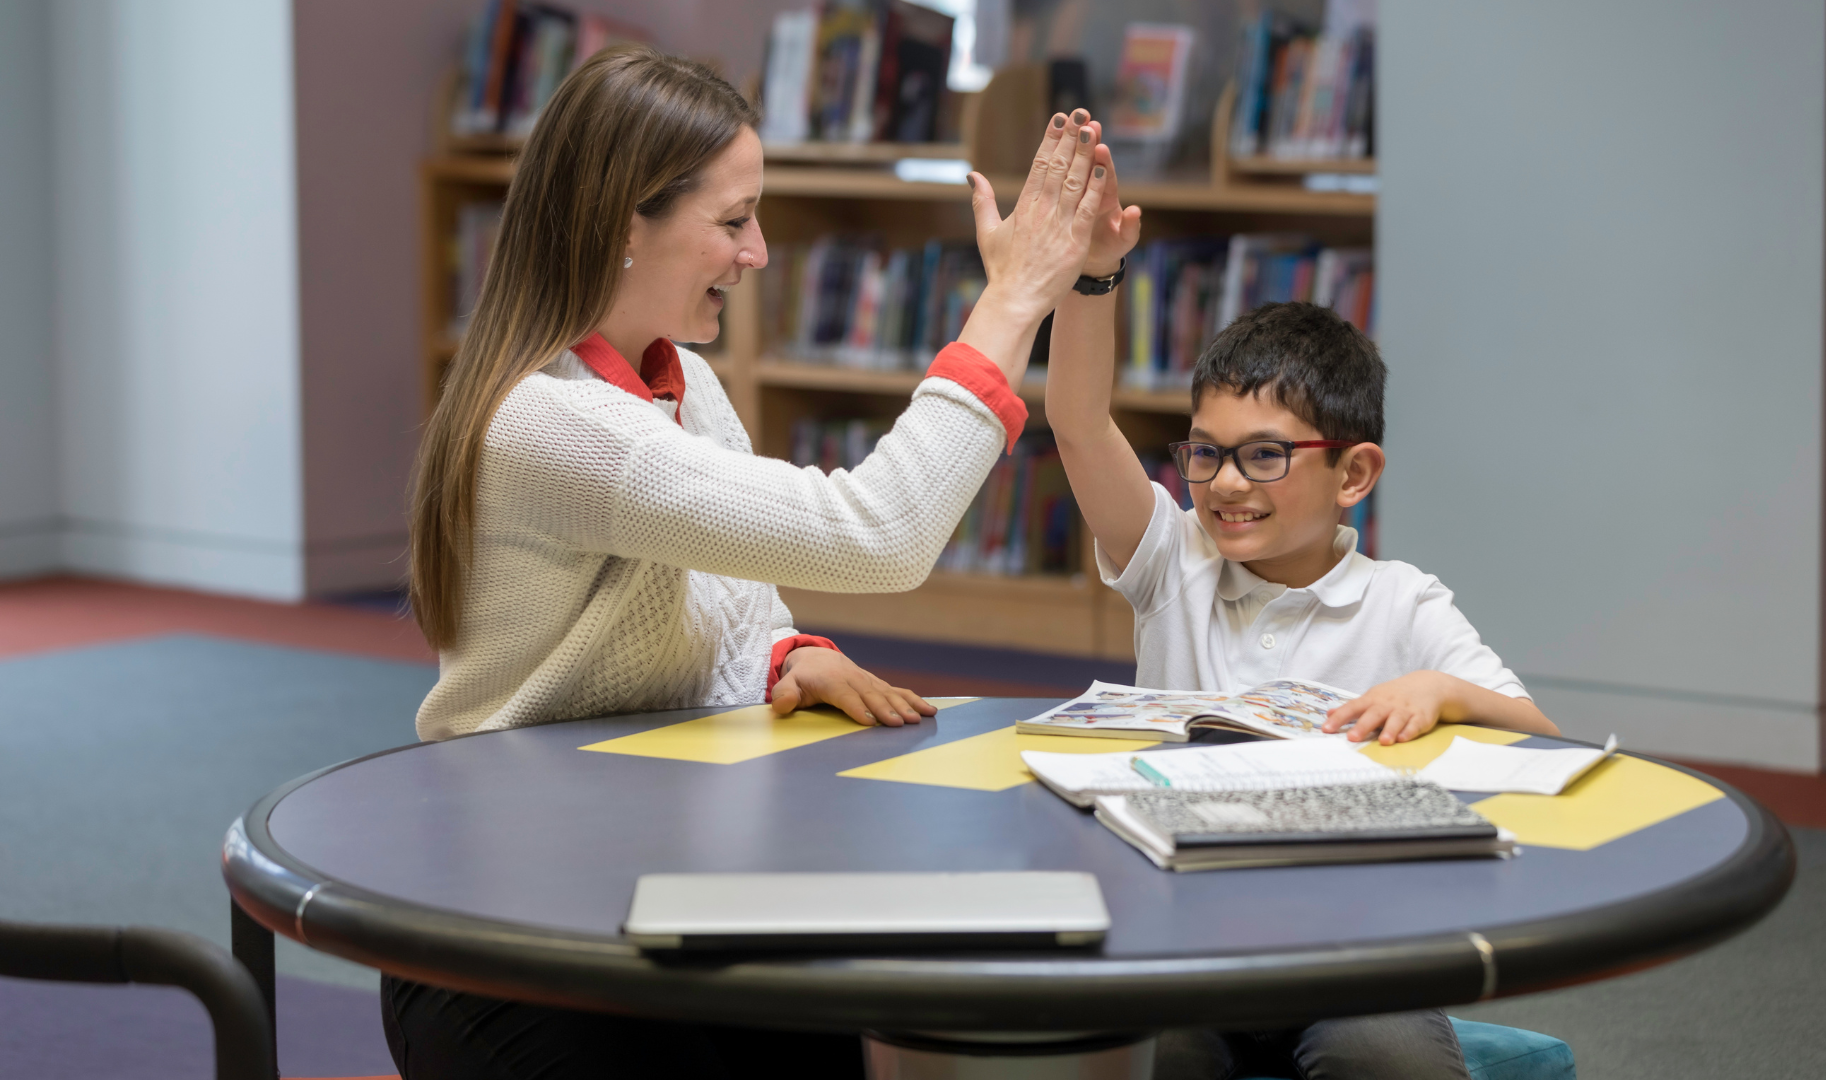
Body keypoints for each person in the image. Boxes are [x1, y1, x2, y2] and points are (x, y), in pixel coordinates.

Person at [392, 46, 1111, 1077]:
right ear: (619, 224)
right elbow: (880, 532)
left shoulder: (676, 379)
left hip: (651, 879)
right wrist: (1011, 304)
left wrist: (779, 657)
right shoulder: (551, 423)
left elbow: (732, 601)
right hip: (509, 925)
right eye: (732, 221)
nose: (760, 253)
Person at [1043, 109, 1559, 1078]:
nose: (1226, 483)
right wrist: (1093, 274)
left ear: (1354, 474)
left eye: (1265, 456)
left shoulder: (1401, 602)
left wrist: (1443, 693)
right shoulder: (1172, 557)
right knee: (1157, 1058)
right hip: (1187, 941)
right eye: (1206, 453)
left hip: (1357, 950)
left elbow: (1539, 737)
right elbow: (1074, 420)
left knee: (1387, 1059)